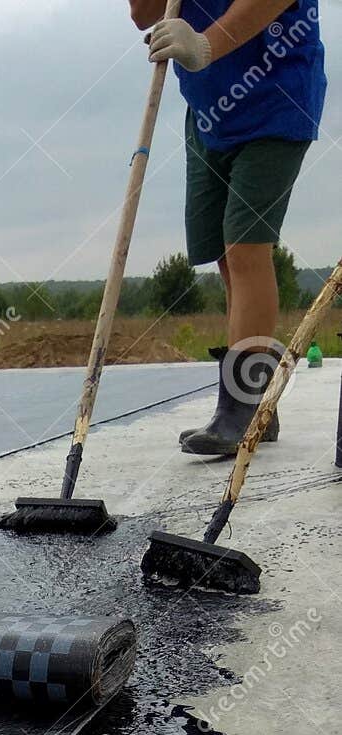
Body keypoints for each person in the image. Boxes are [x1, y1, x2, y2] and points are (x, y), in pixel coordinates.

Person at [129, 2, 326, 454]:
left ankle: (239, 411)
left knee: (245, 248)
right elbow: (144, 15)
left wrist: (203, 43)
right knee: (223, 252)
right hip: (210, 112)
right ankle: (257, 402)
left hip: (275, 98)